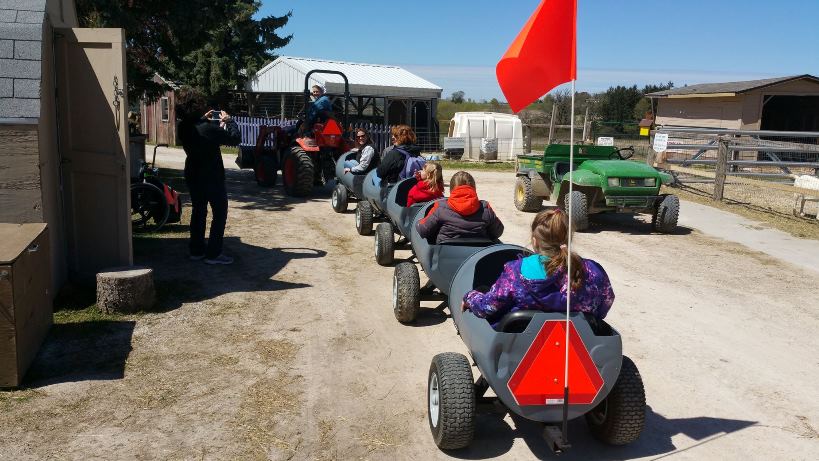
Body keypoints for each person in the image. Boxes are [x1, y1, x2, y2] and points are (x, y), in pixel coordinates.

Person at [462, 209, 615, 328]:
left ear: (535, 241)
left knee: (483, 290)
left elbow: (487, 308)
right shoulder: (594, 271)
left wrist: (470, 297)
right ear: (569, 238)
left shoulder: (515, 272)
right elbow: (605, 304)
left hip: (520, 345)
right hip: (576, 343)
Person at [175, 87, 241, 265]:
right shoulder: (208, 129)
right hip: (211, 174)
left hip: (193, 172)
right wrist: (230, 121)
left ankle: (196, 250)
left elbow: (196, 127)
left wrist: (202, 118)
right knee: (219, 212)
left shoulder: (184, 127)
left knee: (199, 211)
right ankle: (213, 253)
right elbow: (235, 139)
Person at [416, 171, 504, 243]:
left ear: (451, 190)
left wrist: (418, 222)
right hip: (477, 256)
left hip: (445, 255)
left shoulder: (440, 207)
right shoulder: (485, 208)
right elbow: (498, 232)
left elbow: (423, 230)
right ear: (474, 188)